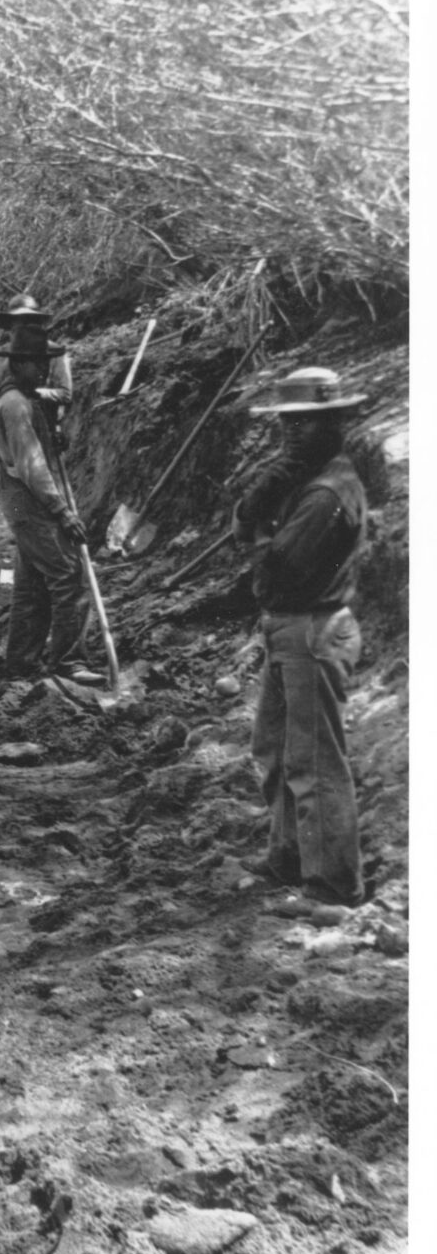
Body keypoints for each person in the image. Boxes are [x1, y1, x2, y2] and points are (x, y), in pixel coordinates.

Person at [234, 368, 373, 907]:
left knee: (314, 762)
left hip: (314, 628)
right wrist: (261, 496)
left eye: (305, 424)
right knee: (274, 749)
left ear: (333, 424)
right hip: (290, 627)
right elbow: (245, 528)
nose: (292, 433)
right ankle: (289, 857)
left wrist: (260, 529)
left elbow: (278, 569)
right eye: (287, 423)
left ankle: (331, 885)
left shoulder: (327, 492)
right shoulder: (303, 477)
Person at [0, 320, 92, 681]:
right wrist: (63, 512)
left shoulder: (19, 400)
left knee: (31, 583)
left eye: (47, 363)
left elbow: (36, 452)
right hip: (27, 499)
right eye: (38, 364)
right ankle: (68, 661)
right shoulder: (16, 406)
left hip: (17, 500)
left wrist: (52, 436)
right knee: (69, 574)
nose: (45, 371)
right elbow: (32, 466)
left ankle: (21, 661)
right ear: (19, 363)